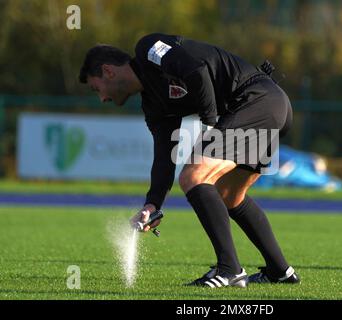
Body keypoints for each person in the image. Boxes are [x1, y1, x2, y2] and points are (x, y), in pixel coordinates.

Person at [79, 33, 299, 288]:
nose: (102, 98)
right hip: (267, 107)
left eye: (97, 89)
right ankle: (279, 271)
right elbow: (164, 155)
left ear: (108, 71)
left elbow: (197, 69)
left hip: (257, 99)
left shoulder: (148, 49)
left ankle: (230, 269)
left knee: (194, 176)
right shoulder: (153, 105)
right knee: (229, 194)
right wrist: (153, 204)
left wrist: (210, 122)